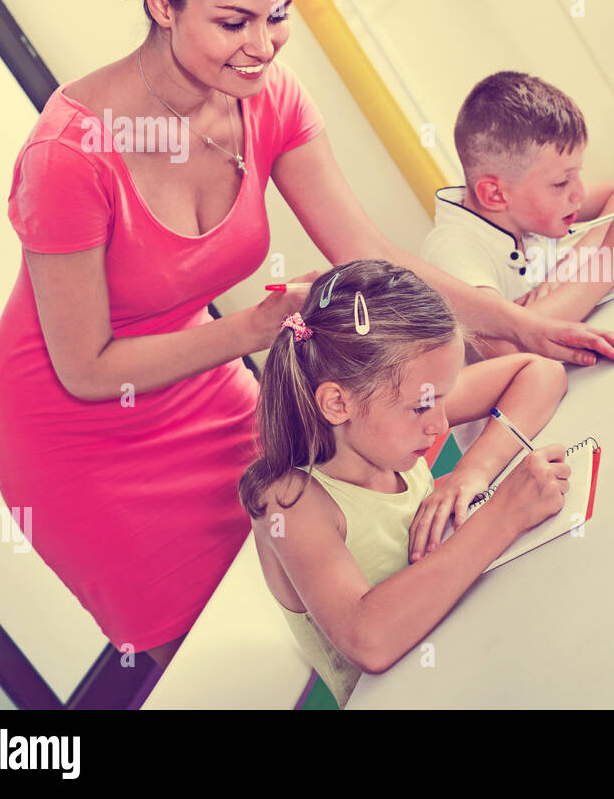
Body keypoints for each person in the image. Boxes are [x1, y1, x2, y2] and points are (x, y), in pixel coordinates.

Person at [0, 0, 614, 668]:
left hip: (206, 381)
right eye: (233, 22)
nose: (263, 44)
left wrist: (520, 326)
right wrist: (254, 332)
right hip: (83, 441)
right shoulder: (67, 157)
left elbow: (370, 249)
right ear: (160, 4)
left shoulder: (268, 101)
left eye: (277, 14)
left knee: (317, 589)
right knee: (216, 659)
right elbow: (84, 367)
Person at [241, 260, 573, 706]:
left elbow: (540, 373)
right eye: (423, 407)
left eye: (442, 398)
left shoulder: (386, 419)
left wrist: (471, 472)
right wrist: (501, 518)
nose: (440, 425)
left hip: (466, 649)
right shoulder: (290, 502)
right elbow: (369, 641)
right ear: (338, 402)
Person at [421, 71, 614, 357]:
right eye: (561, 182)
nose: (579, 194)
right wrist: (610, 259)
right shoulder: (452, 251)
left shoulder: (526, 208)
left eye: (578, 175)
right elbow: (506, 350)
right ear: (496, 195)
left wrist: (569, 267)